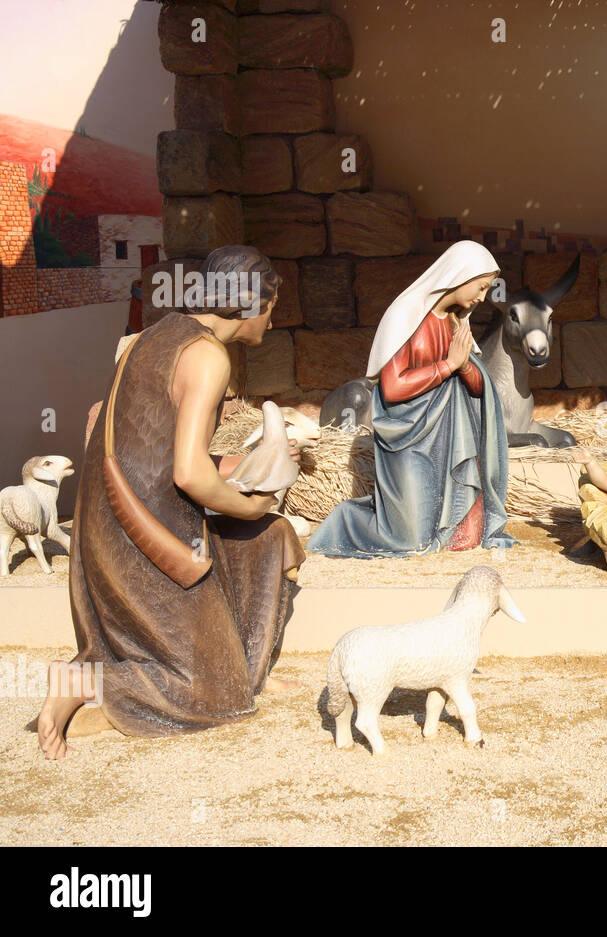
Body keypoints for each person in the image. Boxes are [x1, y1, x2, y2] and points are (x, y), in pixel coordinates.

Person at [37, 245, 305, 759]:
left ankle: (245, 667)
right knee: (214, 698)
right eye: (271, 308)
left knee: (271, 539)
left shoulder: (160, 333)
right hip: (148, 537)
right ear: (249, 305)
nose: (272, 322)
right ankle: (88, 684)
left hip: (115, 521)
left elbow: (167, 455)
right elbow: (188, 473)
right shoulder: (208, 357)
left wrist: (254, 460)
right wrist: (251, 505)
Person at [307, 241, 516, 557]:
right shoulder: (405, 314)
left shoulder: (458, 322)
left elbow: (476, 388)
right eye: (482, 286)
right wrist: (448, 366)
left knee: (466, 538)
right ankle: (346, 522)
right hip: (407, 440)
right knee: (410, 540)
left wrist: (463, 367)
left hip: (450, 440)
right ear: (461, 274)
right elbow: (392, 388)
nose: (483, 297)